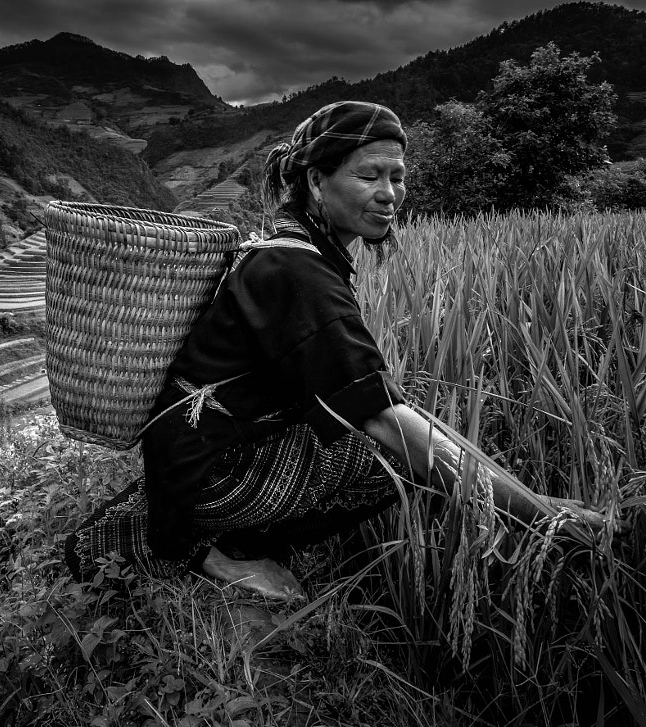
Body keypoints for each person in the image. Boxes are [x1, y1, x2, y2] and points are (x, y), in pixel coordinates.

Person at [64, 100, 610, 599]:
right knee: (393, 452)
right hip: (205, 467)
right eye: (368, 175)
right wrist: (540, 513)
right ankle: (222, 554)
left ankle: (223, 529)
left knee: (401, 425)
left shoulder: (298, 251)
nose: (389, 193)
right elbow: (381, 416)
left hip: (199, 451)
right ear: (317, 182)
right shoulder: (294, 268)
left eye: (397, 176)